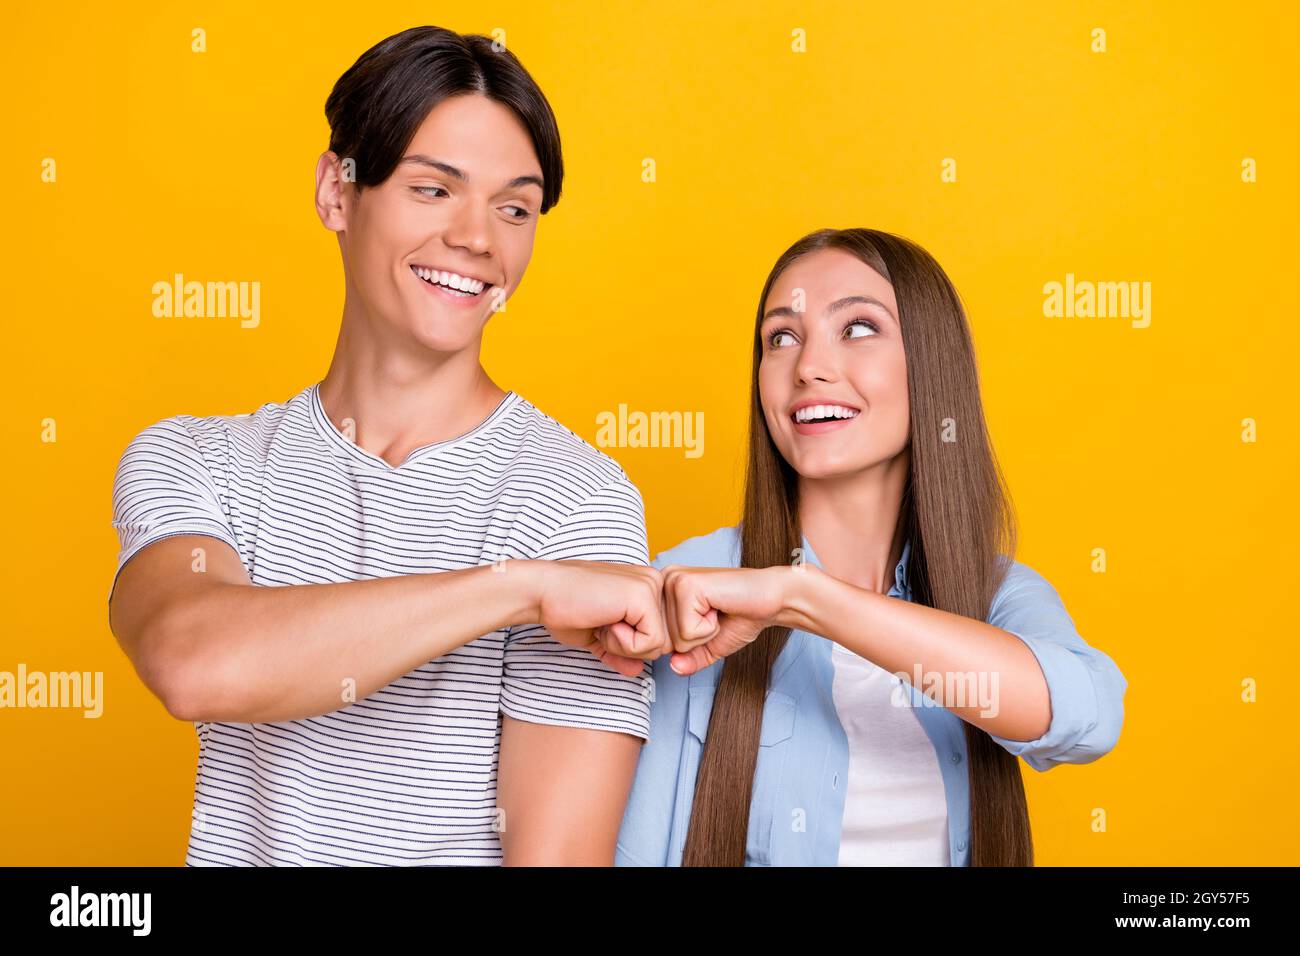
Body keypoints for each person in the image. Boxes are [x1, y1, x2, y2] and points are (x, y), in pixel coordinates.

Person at [108, 25, 668, 867]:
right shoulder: (198, 461)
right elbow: (193, 660)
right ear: (338, 189)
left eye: (514, 207)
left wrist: (538, 578)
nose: (479, 239)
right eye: (434, 189)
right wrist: (523, 588)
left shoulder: (576, 499)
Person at [613, 228, 1128, 866]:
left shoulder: (998, 595)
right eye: (782, 337)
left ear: (931, 363)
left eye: (857, 328)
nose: (808, 367)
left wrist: (803, 596)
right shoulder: (686, 590)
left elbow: (1087, 716)